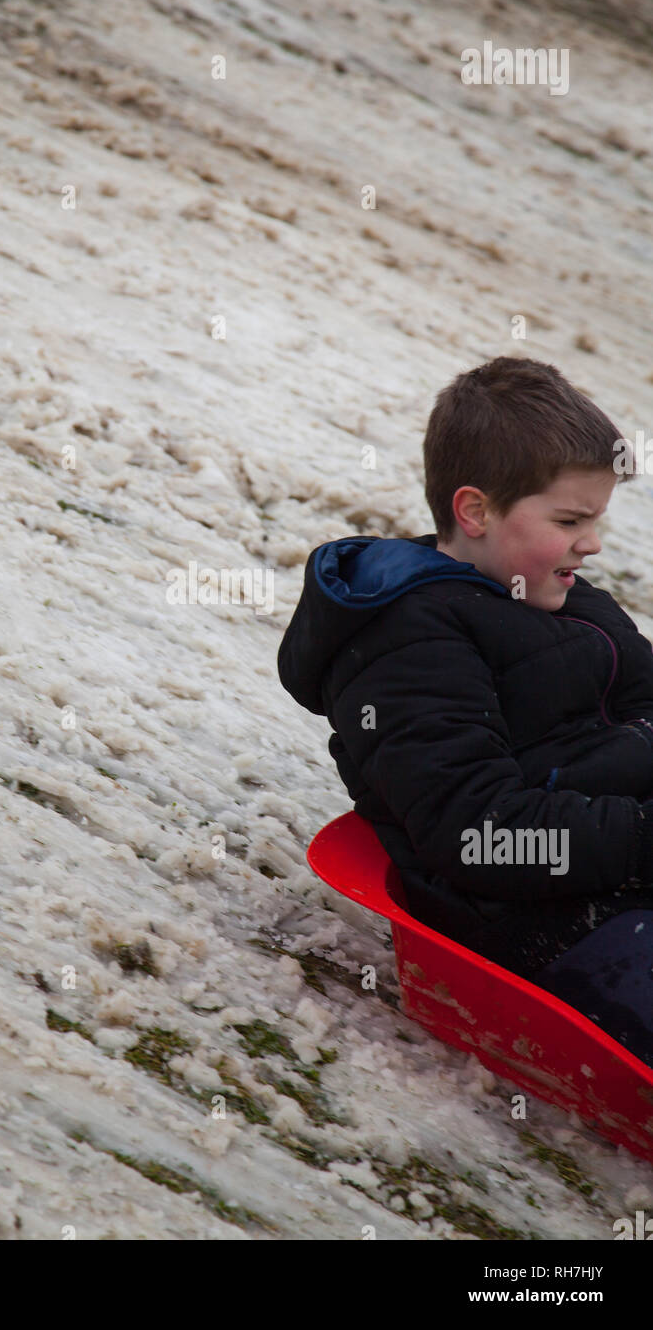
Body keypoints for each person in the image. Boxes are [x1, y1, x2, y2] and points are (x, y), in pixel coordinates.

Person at [277, 356, 653, 1066]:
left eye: (596, 519)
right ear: (475, 511)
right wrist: (641, 842)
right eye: (569, 520)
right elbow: (479, 835)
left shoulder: (574, 602)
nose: (592, 543)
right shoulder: (407, 640)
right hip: (542, 923)